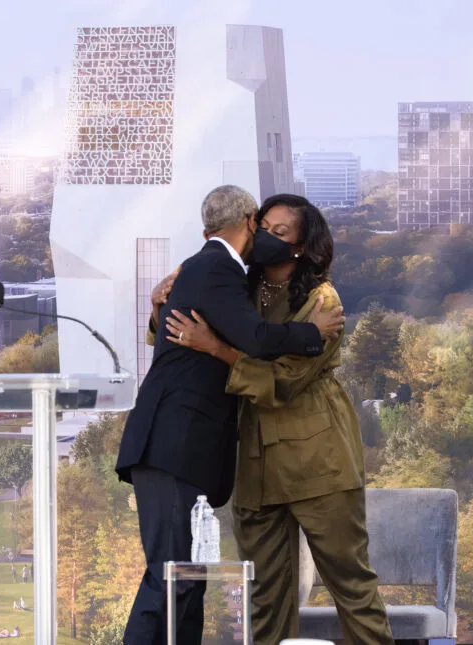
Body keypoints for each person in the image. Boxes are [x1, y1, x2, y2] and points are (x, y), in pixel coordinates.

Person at [155, 194, 392, 645]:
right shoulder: (236, 286)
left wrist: (216, 348)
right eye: (262, 227)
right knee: (265, 598)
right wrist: (159, 304)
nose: (265, 237)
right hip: (255, 469)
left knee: (351, 589)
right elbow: (177, 326)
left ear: (300, 247)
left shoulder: (323, 302)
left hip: (318, 463)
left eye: (280, 233)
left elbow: (284, 380)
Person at [115, 185, 345, 645]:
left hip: (180, 450)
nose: (265, 234)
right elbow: (256, 337)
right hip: (171, 446)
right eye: (263, 225)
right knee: (169, 578)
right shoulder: (216, 267)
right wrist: (312, 332)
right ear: (248, 219)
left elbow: (197, 320)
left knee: (185, 580)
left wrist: (161, 305)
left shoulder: (213, 269)